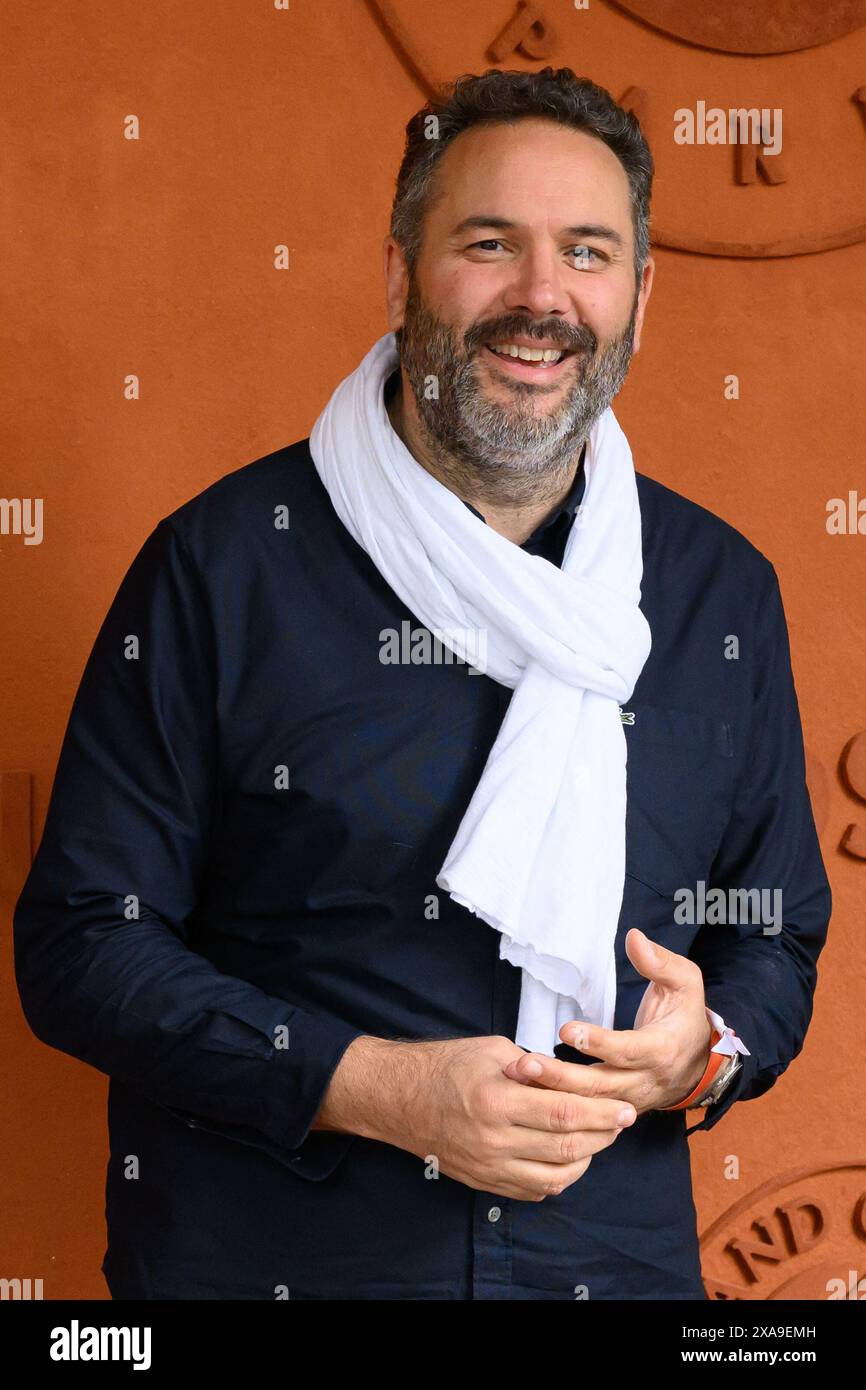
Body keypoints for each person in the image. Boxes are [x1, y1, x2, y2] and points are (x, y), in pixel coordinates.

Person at [13, 67, 831, 1300]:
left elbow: (774, 936)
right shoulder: (223, 567)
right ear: (401, 273)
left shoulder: (717, 592)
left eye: (588, 254)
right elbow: (83, 944)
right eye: (489, 244)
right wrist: (372, 1087)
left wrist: (695, 1054)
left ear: (639, 296)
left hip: (607, 1273)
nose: (541, 299)